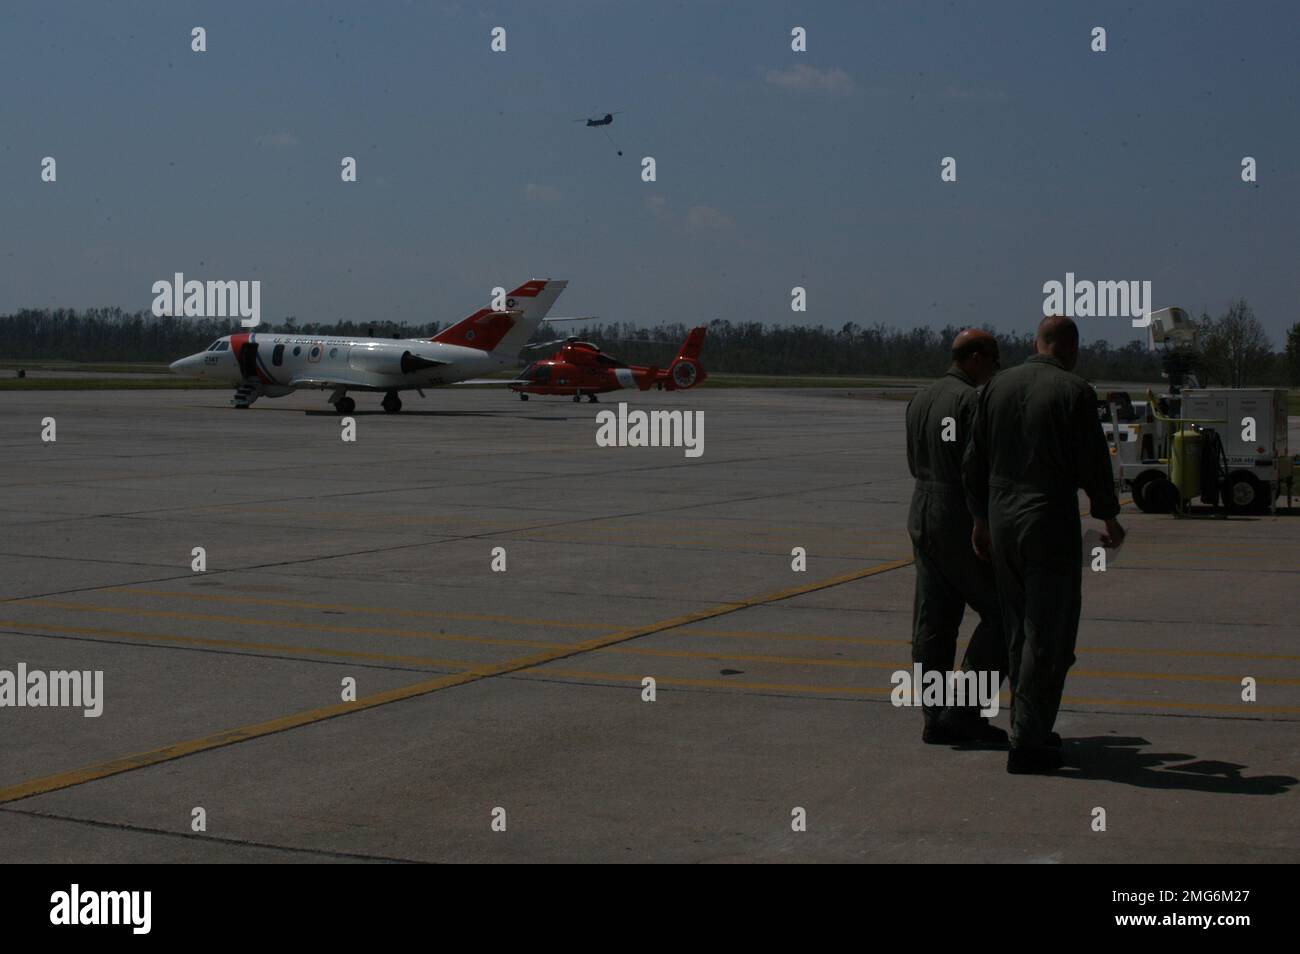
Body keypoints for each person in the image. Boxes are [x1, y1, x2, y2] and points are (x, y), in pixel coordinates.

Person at [962, 315, 1125, 774]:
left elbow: (973, 461)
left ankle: (1025, 726)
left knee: (1017, 628)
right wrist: (1109, 516)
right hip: (1047, 517)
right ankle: (1029, 741)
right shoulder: (1074, 390)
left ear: (1037, 343)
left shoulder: (995, 387)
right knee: (1049, 633)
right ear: (1071, 349)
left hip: (1002, 518)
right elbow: (1094, 462)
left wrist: (980, 520)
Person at [905, 329, 1008, 744]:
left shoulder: (920, 399)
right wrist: (982, 520)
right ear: (976, 358)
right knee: (1004, 614)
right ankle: (963, 711)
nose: (996, 369)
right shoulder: (969, 401)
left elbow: (913, 461)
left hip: (922, 508)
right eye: (994, 361)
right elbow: (975, 468)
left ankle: (934, 717)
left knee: (934, 620)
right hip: (957, 513)